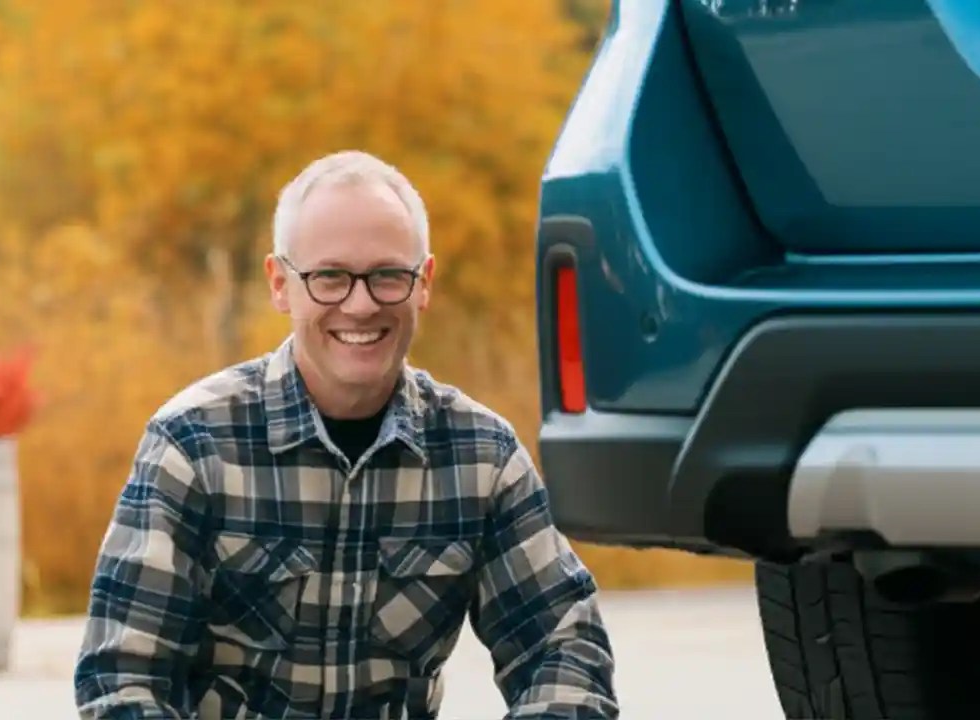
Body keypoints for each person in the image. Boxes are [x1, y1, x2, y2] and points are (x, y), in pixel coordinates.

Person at [73, 150, 620, 719]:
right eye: (330, 276)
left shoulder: (483, 458)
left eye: (388, 276)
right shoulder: (193, 446)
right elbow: (122, 680)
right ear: (281, 283)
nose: (360, 305)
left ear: (424, 282)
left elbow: (563, 646)